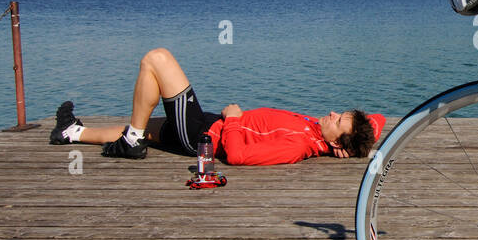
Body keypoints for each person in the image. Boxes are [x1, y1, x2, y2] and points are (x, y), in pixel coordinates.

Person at [49, 47, 384, 164]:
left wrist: (235, 119)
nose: (332, 113)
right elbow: (377, 120)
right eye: (340, 112)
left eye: (338, 120)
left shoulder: (297, 145)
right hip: (210, 125)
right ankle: (72, 133)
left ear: (335, 141)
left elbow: (238, 156)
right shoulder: (316, 131)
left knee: (157, 59)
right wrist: (360, 144)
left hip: (203, 135)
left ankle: (131, 142)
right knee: (143, 127)